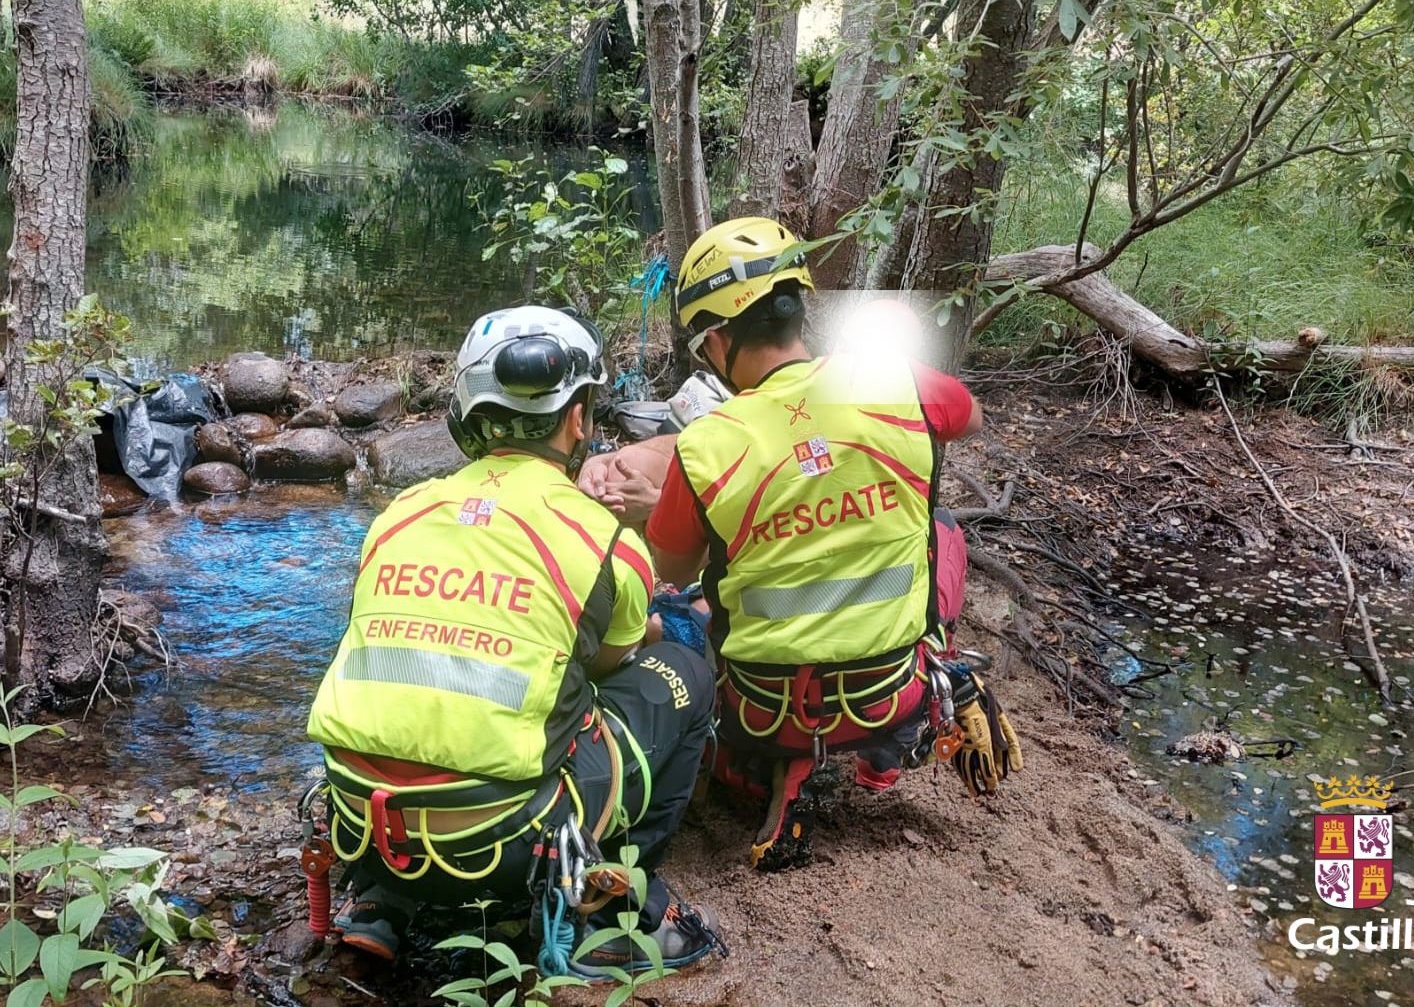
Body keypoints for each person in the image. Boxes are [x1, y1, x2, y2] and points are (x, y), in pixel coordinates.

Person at [305, 305, 722, 976]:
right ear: (579, 418)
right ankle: (609, 899)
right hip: (502, 843)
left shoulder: (397, 514)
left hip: (363, 826)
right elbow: (610, 662)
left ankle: (382, 900)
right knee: (682, 672)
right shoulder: (602, 535)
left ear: (465, 415)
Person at [644, 216, 1023, 871]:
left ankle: (777, 774)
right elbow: (970, 416)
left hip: (765, 712)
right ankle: (929, 696)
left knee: (676, 614)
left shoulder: (706, 445)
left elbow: (670, 567)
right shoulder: (894, 383)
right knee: (943, 528)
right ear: (798, 310)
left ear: (719, 338)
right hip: (888, 691)